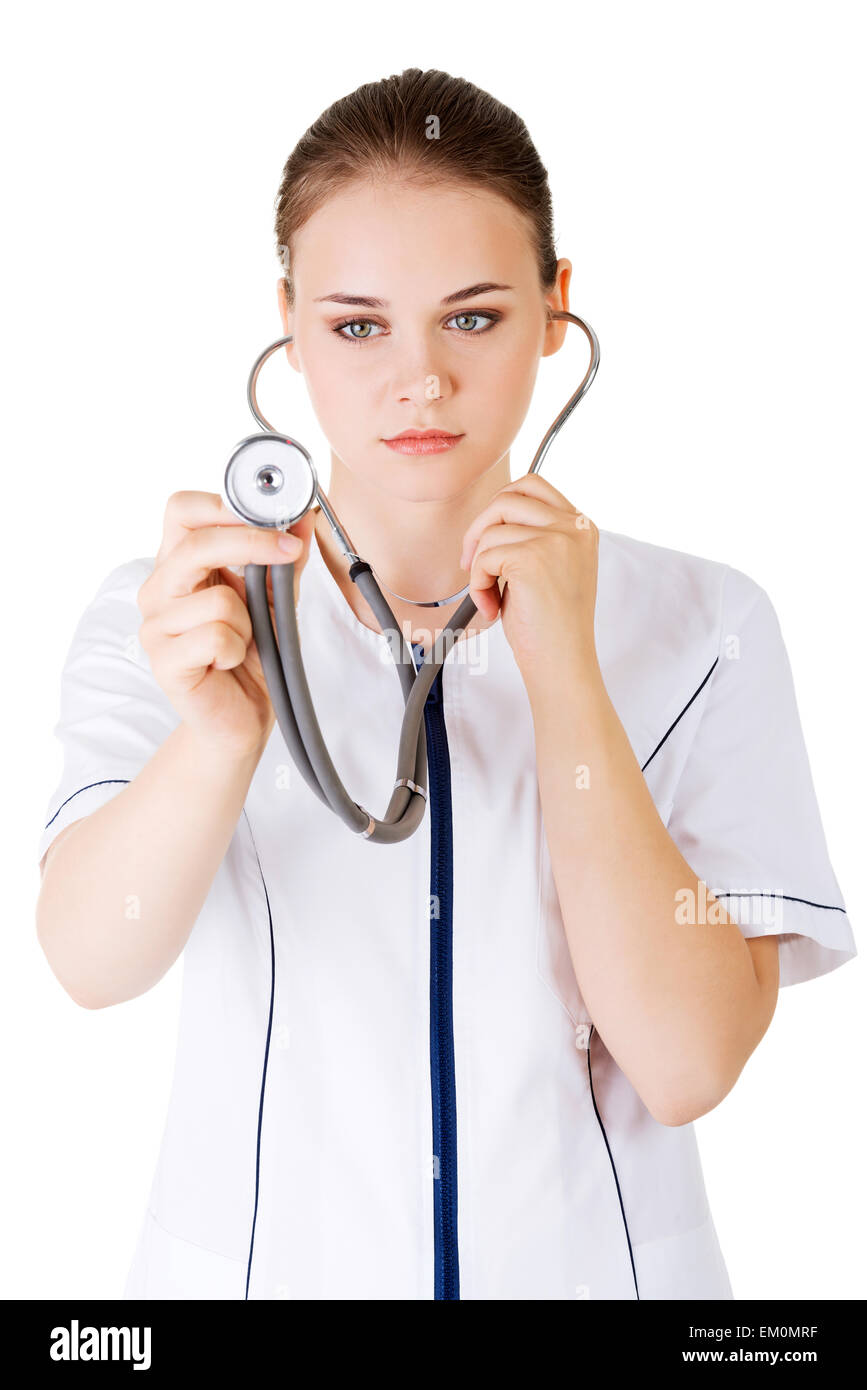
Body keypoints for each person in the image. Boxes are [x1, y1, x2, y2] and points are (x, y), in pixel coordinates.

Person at [35, 67, 857, 1301]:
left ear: (553, 309)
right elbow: (91, 965)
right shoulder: (173, 613)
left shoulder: (708, 629)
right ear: (290, 323)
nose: (417, 381)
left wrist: (566, 672)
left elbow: (687, 1063)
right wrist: (215, 740)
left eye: (472, 317)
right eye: (358, 324)